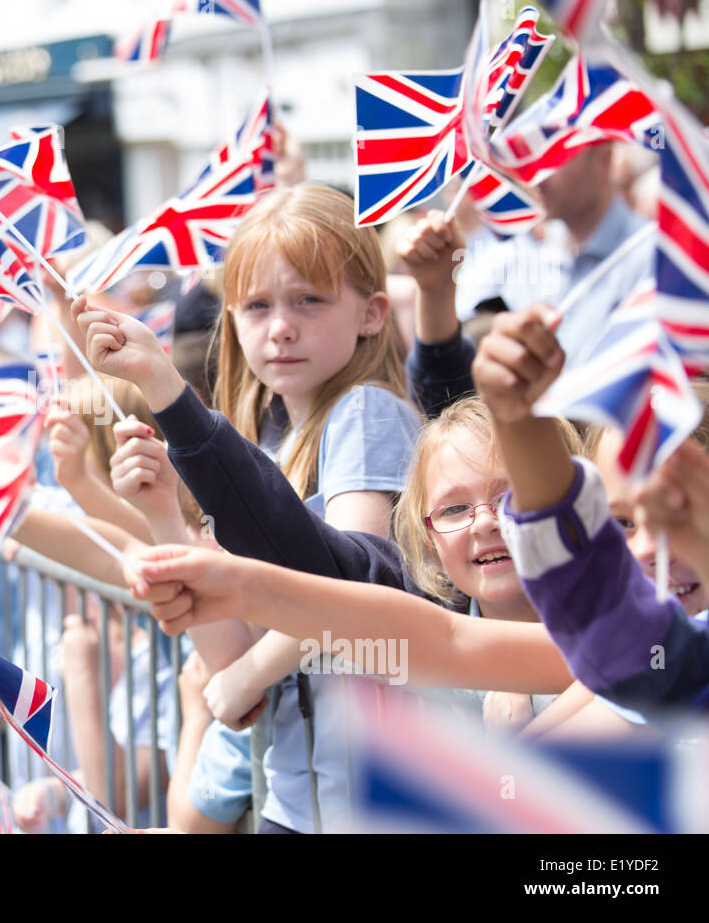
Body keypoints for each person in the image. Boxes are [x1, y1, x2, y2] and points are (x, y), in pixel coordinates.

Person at [74, 183, 421, 834]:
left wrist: (247, 679)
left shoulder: (366, 412)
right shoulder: (271, 435)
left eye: (309, 300)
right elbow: (231, 654)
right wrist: (161, 517)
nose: (281, 325)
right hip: (297, 795)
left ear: (373, 313)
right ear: (231, 317)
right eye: (257, 305)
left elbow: (350, 592)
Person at [472, 304, 709, 719]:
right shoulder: (665, 660)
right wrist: (519, 420)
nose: (650, 548)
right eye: (620, 523)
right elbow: (445, 638)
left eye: (678, 513)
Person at [455, 143, 652, 363]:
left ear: (604, 160)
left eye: (553, 159)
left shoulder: (650, 257)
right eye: (529, 160)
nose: (536, 178)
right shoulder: (528, 250)